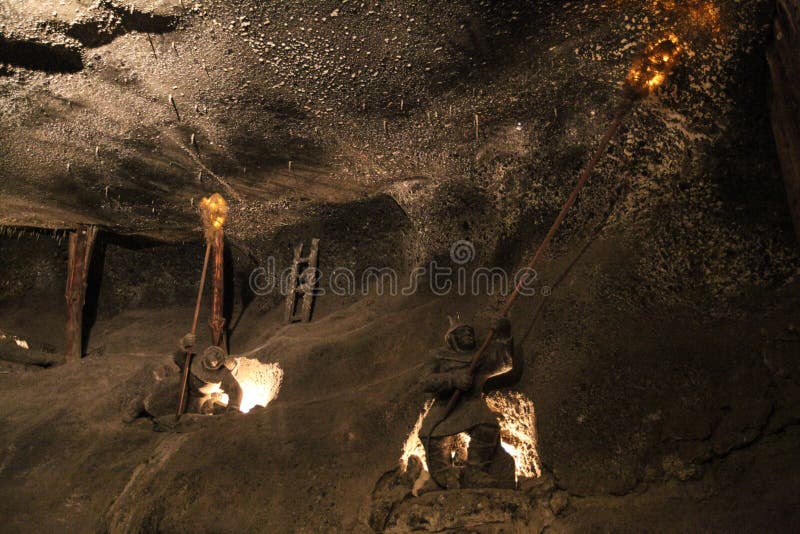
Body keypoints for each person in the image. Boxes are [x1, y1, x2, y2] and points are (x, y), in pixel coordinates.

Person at [419, 316, 523, 489]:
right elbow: (424, 381)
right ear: (452, 338)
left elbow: (504, 363)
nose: (468, 334)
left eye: (470, 332)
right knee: (430, 434)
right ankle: (442, 477)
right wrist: (453, 379)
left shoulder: (480, 357)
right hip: (446, 405)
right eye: (462, 332)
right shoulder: (438, 356)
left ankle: (476, 472)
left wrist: (504, 335)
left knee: (486, 426)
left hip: (471, 403)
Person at [176, 333, 243, 414]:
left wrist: (233, 407)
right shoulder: (193, 360)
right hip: (186, 386)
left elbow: (236, 390)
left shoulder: (223, 375)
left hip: (204, 394)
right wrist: (184, 343)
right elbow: (178, 357)